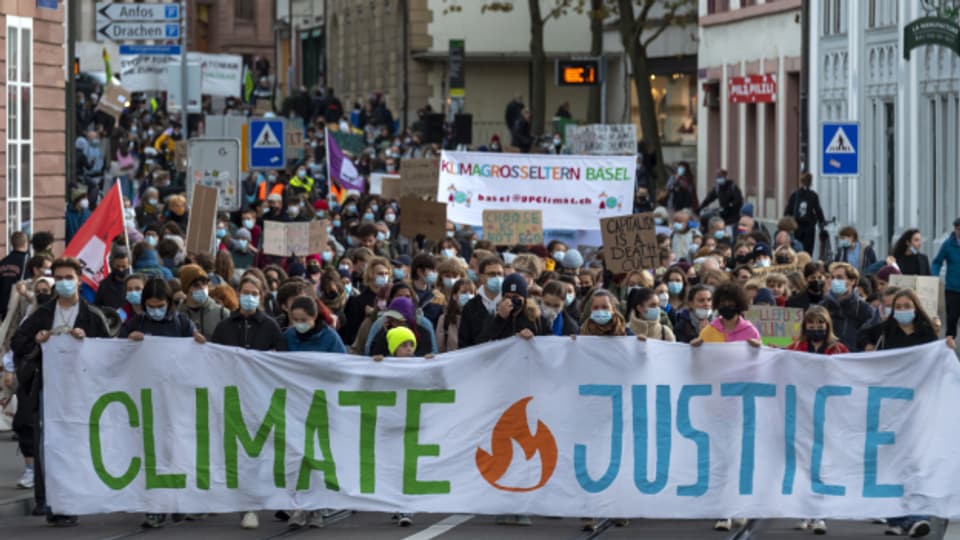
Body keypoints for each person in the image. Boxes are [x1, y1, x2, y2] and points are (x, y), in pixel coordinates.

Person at [11, 257, 111, 527]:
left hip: (81, 392)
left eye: (70, 277)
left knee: (75, 445)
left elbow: (108, 351)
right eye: (61, 278)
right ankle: (49, 501)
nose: (65, 282)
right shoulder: (43, 314)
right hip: (48, 389)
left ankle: (73, 499)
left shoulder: (91, 316)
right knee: (49, 444)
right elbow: (16, 341)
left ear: (80, 280)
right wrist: (36, 339)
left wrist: (87, 340)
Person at [873, 289, 956, 538]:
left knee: (917, 461)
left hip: (920, 407)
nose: (902, 309)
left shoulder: (927, 333)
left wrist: (949, 348)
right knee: (893, 463)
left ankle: (919, 516)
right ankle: (897, 518)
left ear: (916, 307)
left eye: (907, 305)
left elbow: (940, 363)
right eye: (898, 306)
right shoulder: (886, 333)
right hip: (892, 407)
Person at [210, 276, 284, 530]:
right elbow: (212, 359)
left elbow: (286, 362)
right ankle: (246, 504)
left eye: (254, 293)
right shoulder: (224, 327)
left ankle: (262, 498)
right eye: (245, 292)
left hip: (262, 398)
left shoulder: (271, 327)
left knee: (262, 451)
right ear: (238, 294)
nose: (249, 296)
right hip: (232, 397)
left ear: (260, 297)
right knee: (238, 452)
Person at [786, 306, 847, 535]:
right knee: (801, 462)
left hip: (828, 414)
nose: (815, 328)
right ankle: (802, 511)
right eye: (811, 324)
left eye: (820, 323)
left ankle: (819, 514)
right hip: (801, 413)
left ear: (828, 325)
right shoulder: (794, 348)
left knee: (822, 464)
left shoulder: (839, 349)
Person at [821, 262, 879, 352]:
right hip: (827, 359)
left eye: (839, 277)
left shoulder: (865, 310)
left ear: (852, 281)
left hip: (853, 361)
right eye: (833, 278)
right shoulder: (822, 307)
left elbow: (869, 338)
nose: (835, 281)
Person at [691, 282, 761, 347]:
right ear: (717, 304)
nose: (727, 305)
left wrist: (759, 348)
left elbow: (760, 356)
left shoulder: (750, 331)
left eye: (731, 303)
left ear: (739, 304)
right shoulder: (707, 332)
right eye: (722, 303)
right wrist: (693, 348)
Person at [478, 273, 543, 342]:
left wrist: (532, 337)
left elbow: (547, 342)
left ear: (524, 298)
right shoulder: (494, 316)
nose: (511, 301)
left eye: (516, 297)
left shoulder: (535, 318)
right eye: (508, 297)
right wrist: (499, 319)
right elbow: (482, 343)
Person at [177, 265, 230, 341]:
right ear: (186, 289)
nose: (202, 288)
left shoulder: (222, 314)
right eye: (196, 285)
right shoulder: (177, 315)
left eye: (204, 283)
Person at [459, 256, 504, 348]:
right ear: (481, 277)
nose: (497, 278)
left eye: (499, 274)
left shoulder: (510, 303)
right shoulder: (470, 307)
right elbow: (463, 342)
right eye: (492, 274)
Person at [784, 173, 826, 254]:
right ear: (811, 183)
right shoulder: (813, 195)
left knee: (795, 250)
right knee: (807, 251)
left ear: (801, 182)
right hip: (809, 229)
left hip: (796, 228)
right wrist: (822, 222)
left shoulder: (795, 195)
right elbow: (818, 211)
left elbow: (787, 211)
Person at [932, 218, 960, 338]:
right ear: (955, 229)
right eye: (959, 229)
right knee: (952, 319)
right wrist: (935, 276)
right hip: (952, 289)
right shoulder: (948, 245)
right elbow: (937, 262)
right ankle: (949, 345)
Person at [436, 278, 475, 352]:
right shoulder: (445, 319)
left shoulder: (479, 317)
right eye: (464, 292)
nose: (468, 296)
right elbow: (440, 348)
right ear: (454, 296)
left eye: (471, 293)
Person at [0, 231, 30, 320]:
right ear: (26, 243)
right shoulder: (28, 262)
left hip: (4, 306)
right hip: (19, 308)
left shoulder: (3, 262)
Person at [93, 246, 131, 311]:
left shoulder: (135, 283)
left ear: (129, 265)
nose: (121, 269)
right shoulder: (104, 285)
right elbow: (97, 307)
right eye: (118, 266)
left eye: (124, 266)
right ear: (112, 265)